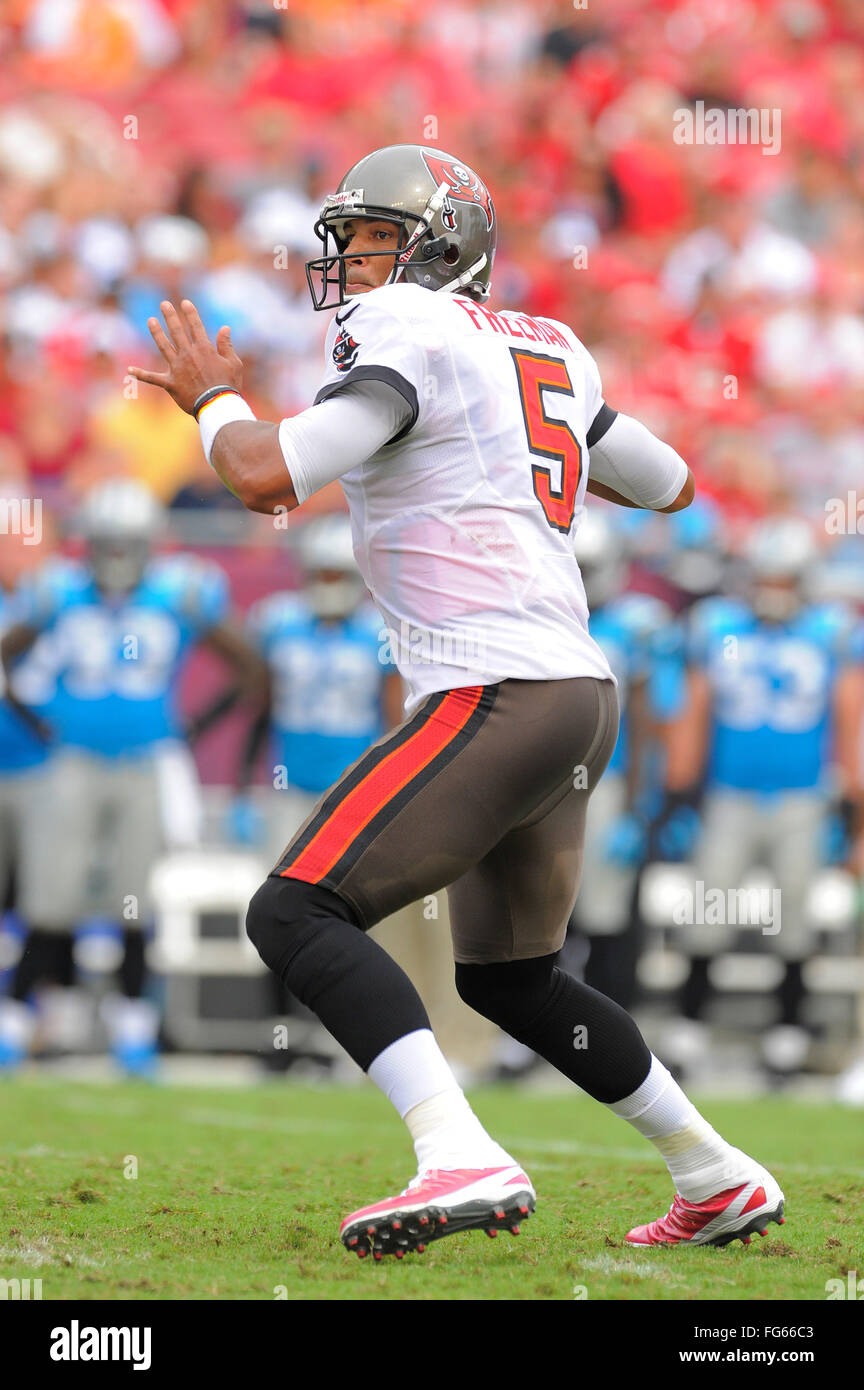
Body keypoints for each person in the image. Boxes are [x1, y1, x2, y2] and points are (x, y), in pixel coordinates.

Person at [128, 144, 785, 1259]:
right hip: (576, 692)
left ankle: (456, 1149)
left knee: (292, 912)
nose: (351, 261)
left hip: (496, 685)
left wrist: (211, 397)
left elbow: (262, 473)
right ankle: (714, 1171)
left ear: (439, 247)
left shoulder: (409, 332)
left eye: (374, 238)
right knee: (512, 978)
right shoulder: (552, 344)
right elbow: (672, 483)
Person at [1, 479, 268, 1074]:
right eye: (108, 544)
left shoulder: (181, 594)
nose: (118, 558)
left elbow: (250, 667)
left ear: (150, 545)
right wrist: (34, 720)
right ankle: (15, 1025)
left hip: (147, 762)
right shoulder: (59, 591)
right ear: (88, 544)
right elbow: (7, 653)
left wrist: (195, 726)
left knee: (134, 901)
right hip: (71, 763)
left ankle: (133, 1033)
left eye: (128, 545)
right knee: (51, 896)